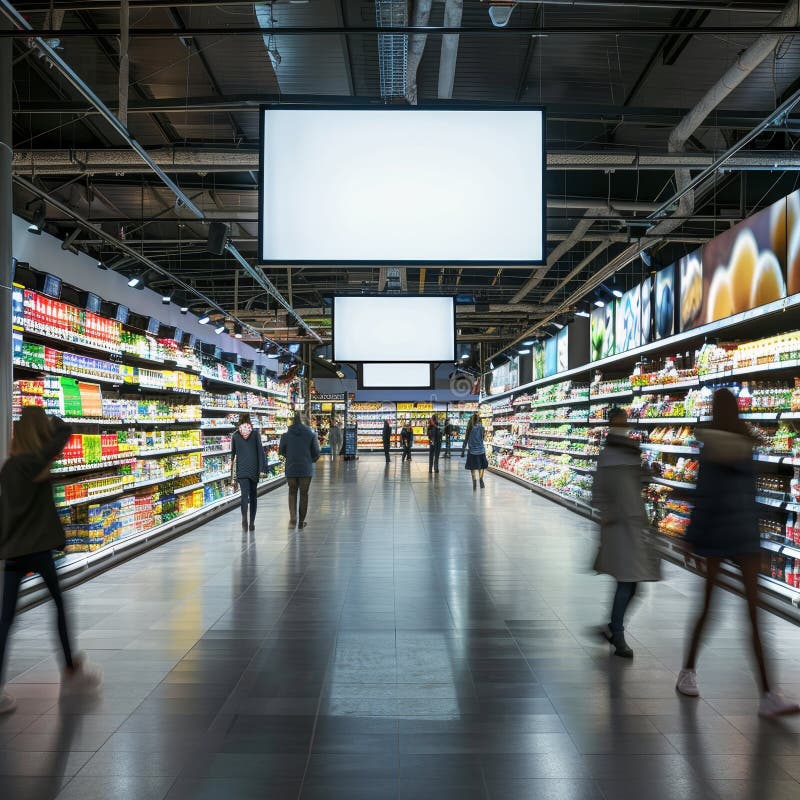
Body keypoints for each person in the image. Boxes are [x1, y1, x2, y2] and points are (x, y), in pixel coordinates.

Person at [676, 389, 800, 716]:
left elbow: (703, 498)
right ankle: (767, 694)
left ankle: (689, 672)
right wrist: (756, 541)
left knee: (710, 609)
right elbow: (746, 497)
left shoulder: (715, 446)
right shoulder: (743, 445)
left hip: (723, 536)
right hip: (740, 537)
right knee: (752, 617)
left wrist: (692, 538)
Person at [0, 408, 102, 715]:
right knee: (59, 605)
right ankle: (71, 669)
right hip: (39, 549)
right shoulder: (32, 463)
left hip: (14, 550)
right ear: (37, 434)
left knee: (6, 619)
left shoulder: (9, 467)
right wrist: (51, 419)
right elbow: (64, 431)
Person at [592, 407, 660, 658]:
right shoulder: (611, 455)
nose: (623, 426)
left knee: (632, 584)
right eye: (620, 422)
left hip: (632, 525)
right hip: (620, 527)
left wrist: (649, 473)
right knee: (628, 582)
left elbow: (635, 483)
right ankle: (617, 633)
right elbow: (599, 493)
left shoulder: (627, 453)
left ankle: (613, 627)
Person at [279, 411, 321, 529]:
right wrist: (309, 460)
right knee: (304, 494)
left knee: (292, 492)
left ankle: (293, 519)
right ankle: (301, 521)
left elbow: (281, 451)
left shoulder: (285, 435)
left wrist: (291, 456)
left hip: (291, 468)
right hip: (305, 469)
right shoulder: (311, 434)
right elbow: (317, 453)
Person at [231, 413, 267, 532]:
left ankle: (244, 519)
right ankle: (252, 523)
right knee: (253, 497)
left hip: (242, 470)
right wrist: (262, 468)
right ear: (249, 421)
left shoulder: (235, 436)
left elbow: (233, 455)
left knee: (244, 497)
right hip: (253, 469)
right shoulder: (255, 434)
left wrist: (232, 474)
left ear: (239, 422)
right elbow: (260, 452)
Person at [464, 413, 488, 489]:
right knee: (482, 466)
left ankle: (474, 482)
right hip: (481, 450)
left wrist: (462, 450)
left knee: (472, 467)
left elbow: (466, 439)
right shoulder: (482, 428)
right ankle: (481, 478)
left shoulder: (469, 428)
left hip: (472, 451)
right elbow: (483, 438)